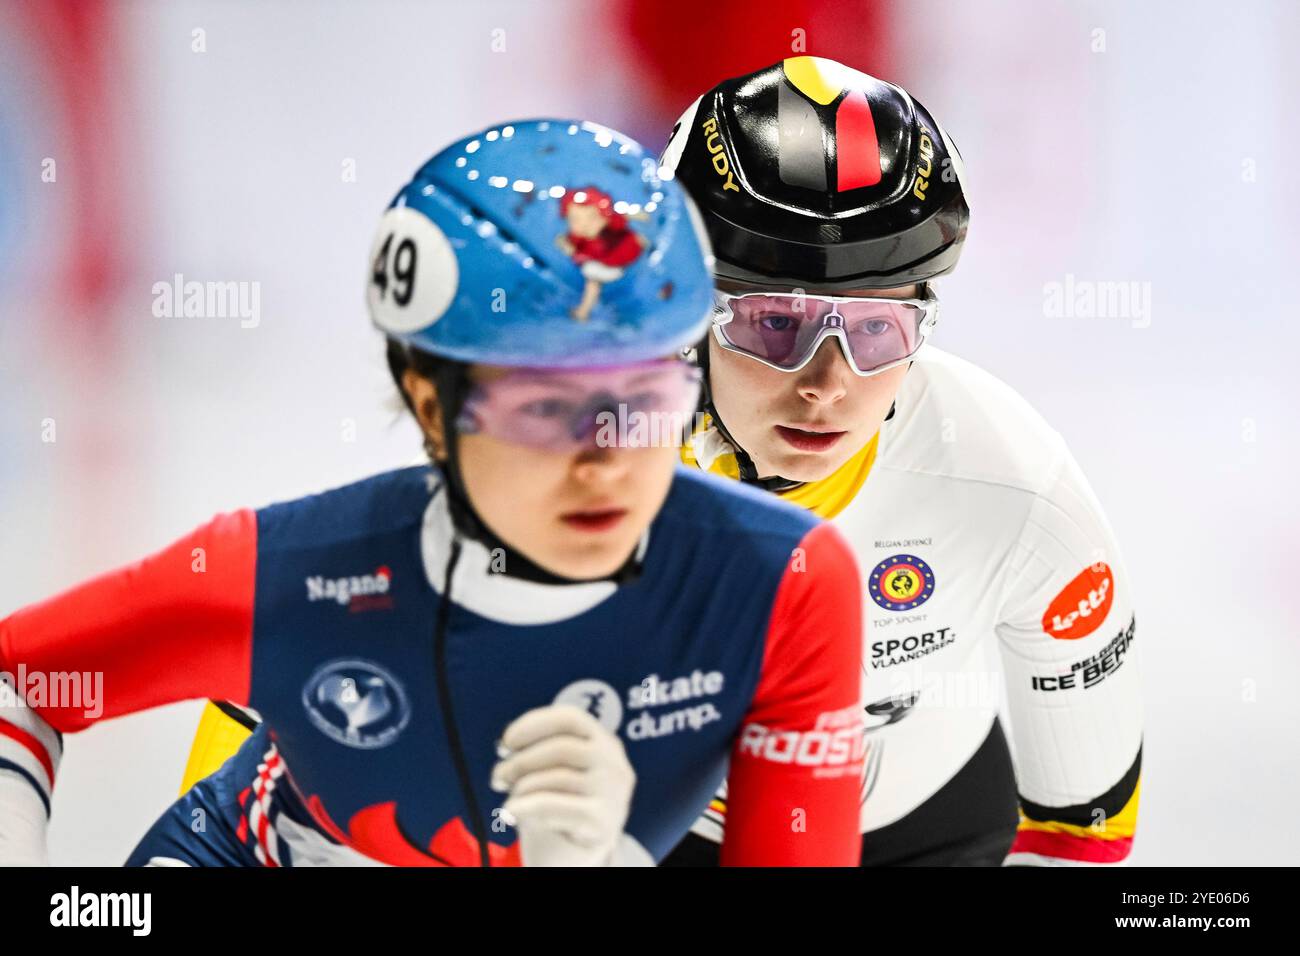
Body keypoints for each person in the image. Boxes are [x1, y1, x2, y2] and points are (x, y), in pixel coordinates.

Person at [0, 119, 866, 868]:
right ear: (429, 407)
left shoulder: (786, 582)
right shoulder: (290, 572)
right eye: (544, 410)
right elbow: (21, 680)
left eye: (643, 402)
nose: (604, 457)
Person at [658, 57, 1143, 867]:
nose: (827, 384)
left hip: (928, 835)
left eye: (877, 329)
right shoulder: (583, 450)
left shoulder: (1015, 486)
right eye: (776, 323)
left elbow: (1082, 828)